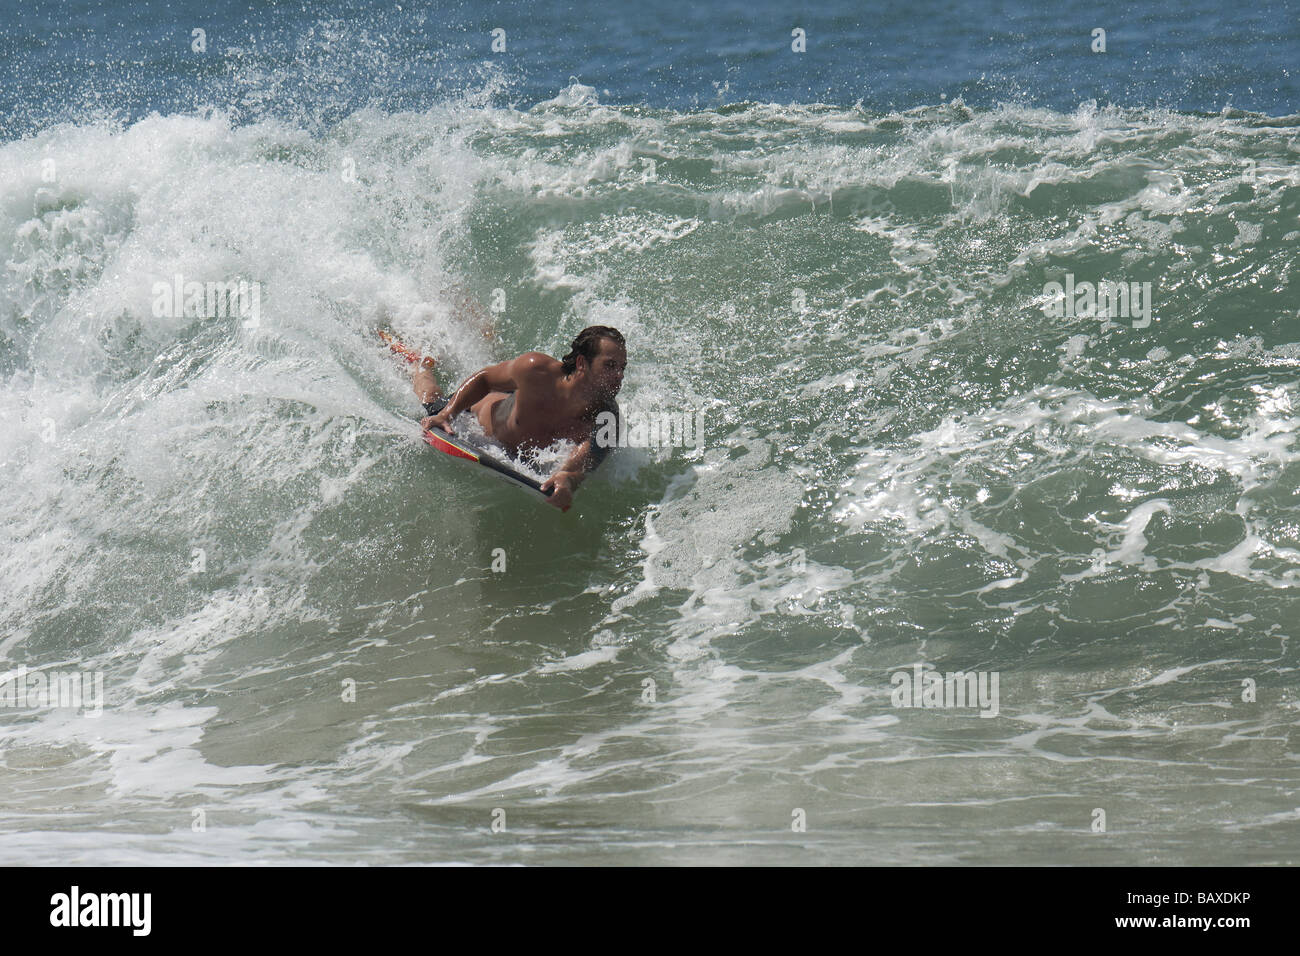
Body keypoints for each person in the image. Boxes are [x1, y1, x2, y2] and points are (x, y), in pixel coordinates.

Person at [412, 326, 625, 512]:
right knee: (431, 399)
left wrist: (568, 478)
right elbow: (486, 378)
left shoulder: (606, 419)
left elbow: (586, 461)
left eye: (622, 368)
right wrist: (445, 414)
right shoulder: (536, 370)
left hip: (514, 435)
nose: (619, 376)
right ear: (581, 363)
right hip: (472, 418)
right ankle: (420, 362)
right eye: (610, 366)